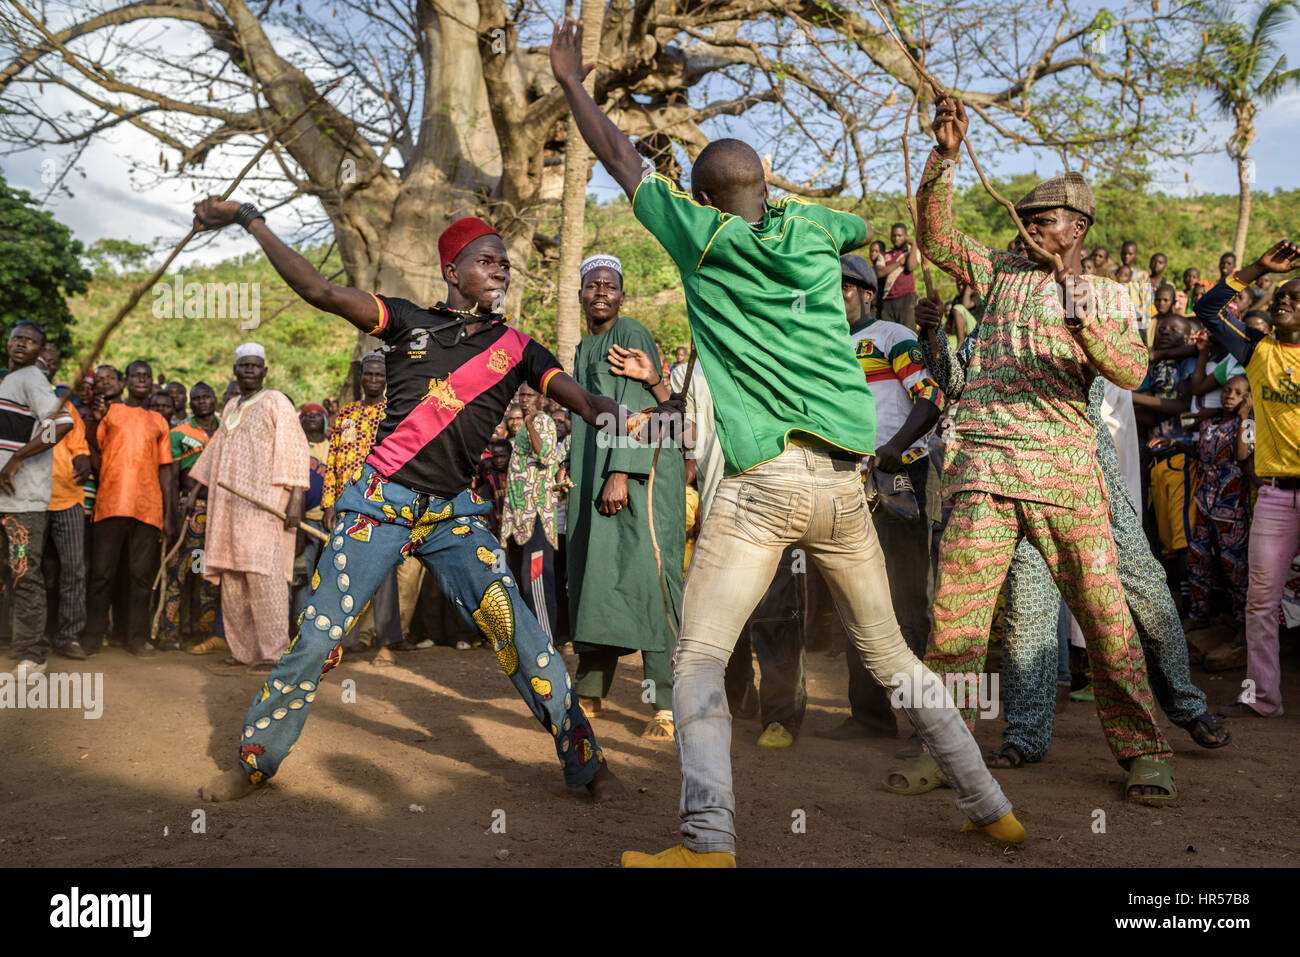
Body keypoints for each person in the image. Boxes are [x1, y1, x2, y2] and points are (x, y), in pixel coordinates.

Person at [552, 19, 1023, 867]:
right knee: (892, 653)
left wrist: (575, 84)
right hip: (847, 485)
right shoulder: (812, 232)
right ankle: (991, 807)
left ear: (699, 201)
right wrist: (790, 190)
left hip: (763, 482)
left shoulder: (701, 238)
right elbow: (852, 225)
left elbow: (623, 158)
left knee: (697, 657)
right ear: (767, 181)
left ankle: (707, 843)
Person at [190, 196, 632, 806]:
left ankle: (587, 764)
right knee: (318, 638)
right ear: (454, 272)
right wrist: (249, 219)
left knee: (523, 637)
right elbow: (318, 290)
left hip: (453, 515)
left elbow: (577, 397)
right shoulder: (404, 322)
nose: (502, 270)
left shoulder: (517, 347)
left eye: (505, 263)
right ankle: (255, 763)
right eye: (489, 261)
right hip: (378, 505)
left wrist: (608, 411)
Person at [898, 94, 1175, 804]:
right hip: (984, 468)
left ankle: (1145, 751)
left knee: (1106, 621)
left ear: (1075, 227)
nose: (1023, 226)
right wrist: (946, 155)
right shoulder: (992, 273)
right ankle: (944, 749)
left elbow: (1134, 370)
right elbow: (934, 235)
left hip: (1065, 477)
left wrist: (1084, 322)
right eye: (1022, 217)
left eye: (1039, 218)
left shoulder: (1106, 295)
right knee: (956, 624)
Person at [918, 295, 1228, 763]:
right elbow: (956, 380)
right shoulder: (998, 318)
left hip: (1087, 468)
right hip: (1019, 474)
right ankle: (1024, 738)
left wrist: (1081, 322)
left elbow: (1126, 369)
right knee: (1030, 606)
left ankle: (1186, 705)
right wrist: (932, 334)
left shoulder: (1085, 302)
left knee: (1144, 586)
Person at [817, 255, 943, 743]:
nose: (835, 297)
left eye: (844, 289)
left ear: (868, 293)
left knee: (907, 597)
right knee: (855, 596)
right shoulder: (824, 348)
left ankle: (921, 721)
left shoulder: (893, 337)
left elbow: (930, 398)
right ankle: (869, 716)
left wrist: (893, 449)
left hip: (898, 477)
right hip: (845, 480)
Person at [566, 253, 684, 740]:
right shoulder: (581, 348)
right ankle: (590, 689)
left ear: (622, 295)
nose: (600, 293)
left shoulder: (629, 332)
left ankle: (665, 700)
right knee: (598, 574)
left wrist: (620, 470)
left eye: (609, 286)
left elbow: (640, 407)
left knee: (649, 574)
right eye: (592, 285)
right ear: (580, 295)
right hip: (596, 469)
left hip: (641, 472)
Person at [1195, 239, 1300, 717]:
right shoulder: (1259, 352)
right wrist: (1258, 267)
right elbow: (1209, 308)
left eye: (1295, 298)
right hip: (1276, 496)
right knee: (1261, 603)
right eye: (1281, 295)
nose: (1284, 301)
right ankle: (1263, 697)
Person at [188, 344, 309, 671]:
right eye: (244, 366)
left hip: (265, 504)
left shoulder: (276, 402)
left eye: (256, 366)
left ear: (264, 371)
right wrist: (195, 488)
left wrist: (296, 498)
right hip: (228, 508)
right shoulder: (229, 407)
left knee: (264, 578)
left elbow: (295, 448)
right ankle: (242, 651)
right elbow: (214, 453)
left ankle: (273, 652)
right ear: (236, 371)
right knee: (233, 580)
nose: (250, 371)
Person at [82, 360, 177, 658]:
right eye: (136, 375)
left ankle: (136, 639)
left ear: (151, 383)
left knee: (140, 577)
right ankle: (92, 638)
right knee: (101, 575)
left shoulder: (158, 421)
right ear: (125, 381)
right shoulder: (109, 412)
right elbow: (93, 451)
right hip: (110, 505)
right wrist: (94, 421)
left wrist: (169, 515)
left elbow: (165, 471)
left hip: (148, 510)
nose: (142, 380)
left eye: (146, 376)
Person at [1154, 375, 1252, 658]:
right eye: (1226, 391)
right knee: (1199, 560)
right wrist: (1174, 443)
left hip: (1231, 509)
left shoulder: (1246, 426)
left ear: (1247, 398)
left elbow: (1244, 455)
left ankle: (1243, 625)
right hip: (1205, 503)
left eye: (1237, 393)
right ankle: (1200, 615)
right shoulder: (1209, 425)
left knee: (1235, 567)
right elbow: (1201, 454)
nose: (1229, 396)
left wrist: (1246, 416)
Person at [1, 321, 73, 674]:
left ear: (39, 351)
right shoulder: (6, 381)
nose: (21, 344)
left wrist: (18, 458)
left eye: (30, 341)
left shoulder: (32, 378)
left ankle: (31, 654)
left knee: (22, 573)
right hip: (4, 501)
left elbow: (61, 424)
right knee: (8, 574)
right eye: (17, 338)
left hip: (23, 500)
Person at [39, 342, 92, 661]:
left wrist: (84, 458)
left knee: (74, 569)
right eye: (42, 357)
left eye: (53, 360)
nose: (47, 363)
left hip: (67, 497)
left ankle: (68, 635)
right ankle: (29, 636)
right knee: (27, 570)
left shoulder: (64, 403)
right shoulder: (14, 396)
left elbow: (79, 444)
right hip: (27, 499)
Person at [500, 385, 563, 642]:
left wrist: (529, 421)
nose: (523, 399)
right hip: (517, 516)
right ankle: (529, 642)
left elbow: (547, 457)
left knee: (536, 581)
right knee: (520, 579)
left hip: (537, 515)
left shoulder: (543, 421)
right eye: (521, 395)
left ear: (540, 397)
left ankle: (545, 641)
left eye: (528, 395)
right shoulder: (516, 434)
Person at [164, 383, 224, 653]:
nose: (202, 402)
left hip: (223, 510)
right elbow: (173, 477)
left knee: (210, 574)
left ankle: (205, 633)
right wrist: (173, 513)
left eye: (206, 397)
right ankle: (170, 632)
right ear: (190, 403)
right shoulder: (178, 434)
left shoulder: (227, 428)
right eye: (196, 398)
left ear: (215, 399)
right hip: (191, 508)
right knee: (179, 570)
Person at [294, 402, 331, 639]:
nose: (313, 418)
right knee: (301, 578)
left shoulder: (334, 446)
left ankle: (323, 633)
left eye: (318, 415)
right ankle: (299, 632)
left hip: (328, 523)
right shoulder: (295, 445)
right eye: (308, 415)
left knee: (328, 579)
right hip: (301, 522)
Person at [878, 221, 920, 330]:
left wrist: (914, 244)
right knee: (888, 334)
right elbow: (880, 273)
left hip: (906, 298)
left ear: (905, 236)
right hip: (887, 299)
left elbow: (911, 266)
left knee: (908, 333)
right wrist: (899, 263)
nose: (896, 238)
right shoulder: (884, 255)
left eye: (900, 235)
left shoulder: (911, 252)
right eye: (894, 235)